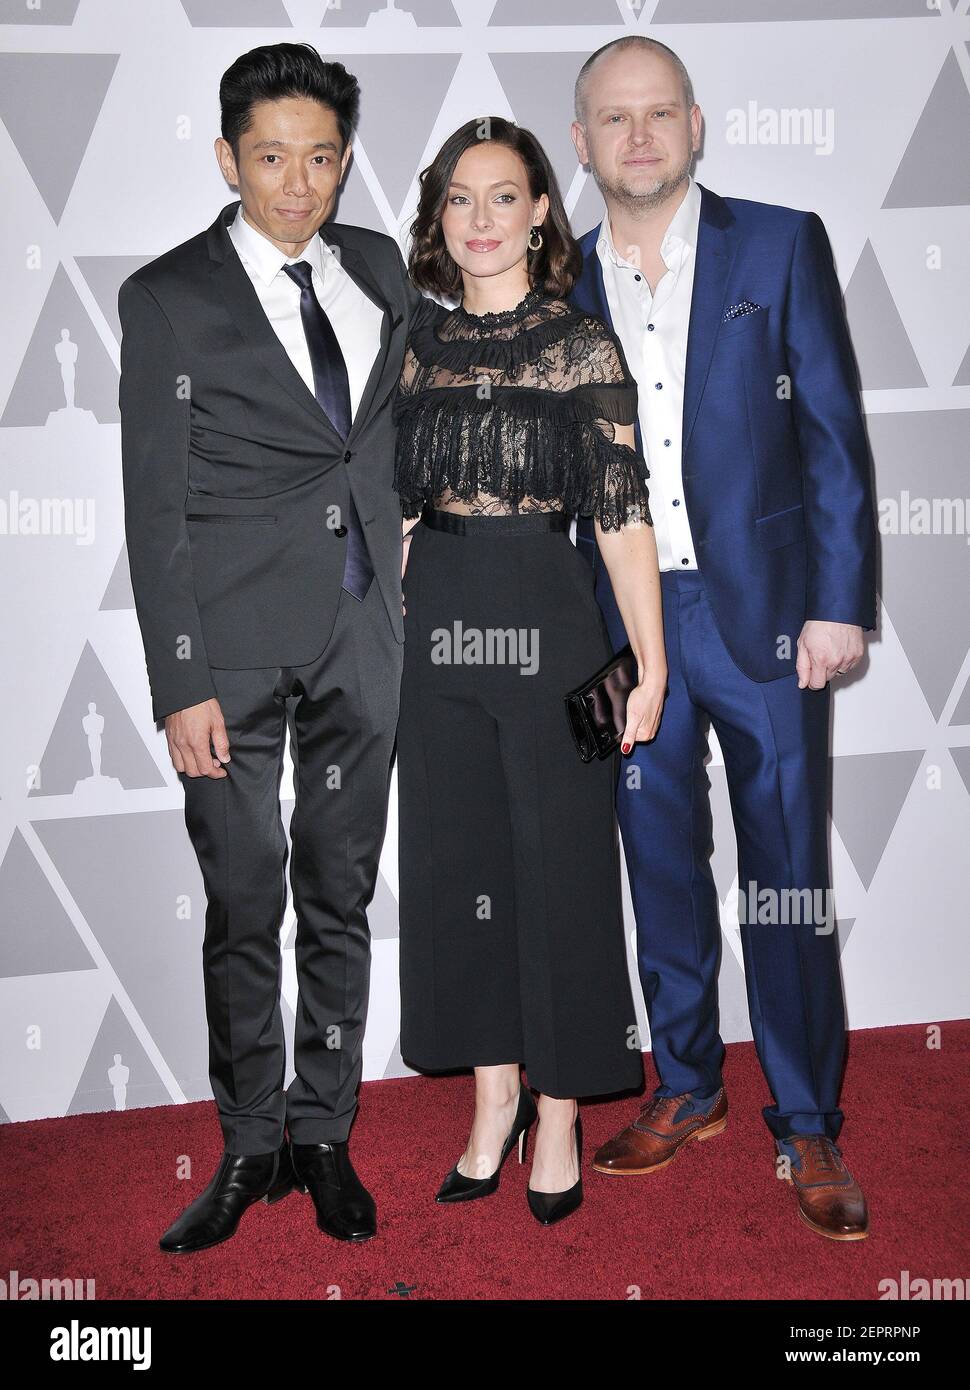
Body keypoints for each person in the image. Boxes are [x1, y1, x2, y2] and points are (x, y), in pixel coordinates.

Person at [118, 42, 439, 1251]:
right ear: (226, 158)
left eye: (319, 158)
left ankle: (325, 1132)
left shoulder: (371, 270)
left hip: (365, 630)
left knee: (339, 895)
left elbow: (385, 427)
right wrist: (180, 680)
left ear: (345, 162)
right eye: (270, 158)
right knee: (244, 902)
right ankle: (249, 1146)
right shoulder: (166, 297)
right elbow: (153, 508)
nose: (296, 184)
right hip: (231, 656)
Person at [568, 36, 877, 1240]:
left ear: (695, 126)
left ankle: (806, 1120)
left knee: (787, 875)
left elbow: (834, 435)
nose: (637, 137)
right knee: (656, 863)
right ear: (582, 140)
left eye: (658, 115)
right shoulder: (560, 283)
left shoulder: (778, 241)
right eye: (611, 117)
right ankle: (685, 1082)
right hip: (625, 632)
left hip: (765, 620)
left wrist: (838, 598)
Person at [392, 118, 667, 1226]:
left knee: (558, 871)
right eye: (459, 199)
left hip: (550, 618)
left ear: (544, 211)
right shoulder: (418, 345)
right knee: (459, 862)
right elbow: (401, 504)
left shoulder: (579, 345)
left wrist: (648, 662)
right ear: (437, 217)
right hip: (438, 627)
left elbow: (620, 514)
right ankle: (492, 1097)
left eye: (503, 198)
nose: (480, 220)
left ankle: (559, 1110)